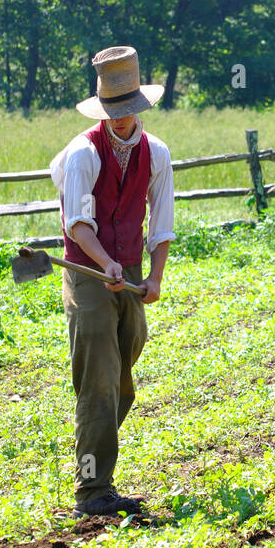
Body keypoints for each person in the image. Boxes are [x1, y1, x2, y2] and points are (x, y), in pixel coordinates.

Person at [49, 46, 175, 518]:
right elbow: (77, 224)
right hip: (88, 274)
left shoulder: (156, 153)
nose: (122, 121)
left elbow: (160, 224)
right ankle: (93, 488)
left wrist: (155, 275)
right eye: (114, 113)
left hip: (129, 273)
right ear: (103, 111)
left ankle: (93, 451)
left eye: (129, 112)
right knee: (98, 380)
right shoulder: (84, 153)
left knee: (122, 382)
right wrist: (104, 263)